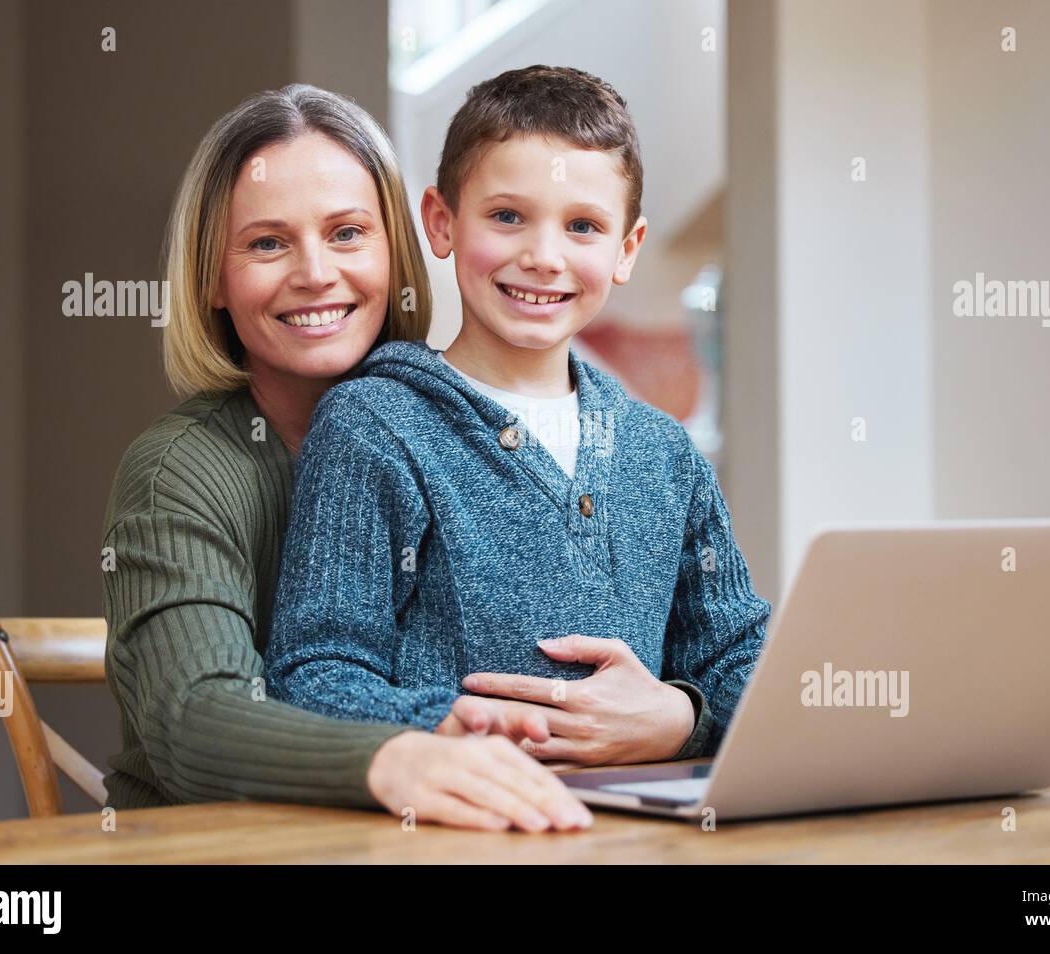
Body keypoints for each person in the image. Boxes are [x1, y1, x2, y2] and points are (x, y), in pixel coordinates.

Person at [101, 83, 592, 833]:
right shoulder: (181, 472)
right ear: (211, 280)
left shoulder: (471, 434)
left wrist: (677, 709)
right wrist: (393, 757)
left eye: (347, 233)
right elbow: (192, 718)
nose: (314, 273)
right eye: (267, 243)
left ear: (399, 246)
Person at [265, 67, 771, 767]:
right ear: (441, 223)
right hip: (455, 835)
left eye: (583, 226)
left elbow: (744, 662)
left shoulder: (663, 452)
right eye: (507, 216)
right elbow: (313, 679)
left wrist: (682, 717)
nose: (542, 257)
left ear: (627, 248)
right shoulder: (373, 426)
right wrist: (477, 728)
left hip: (645, 839)